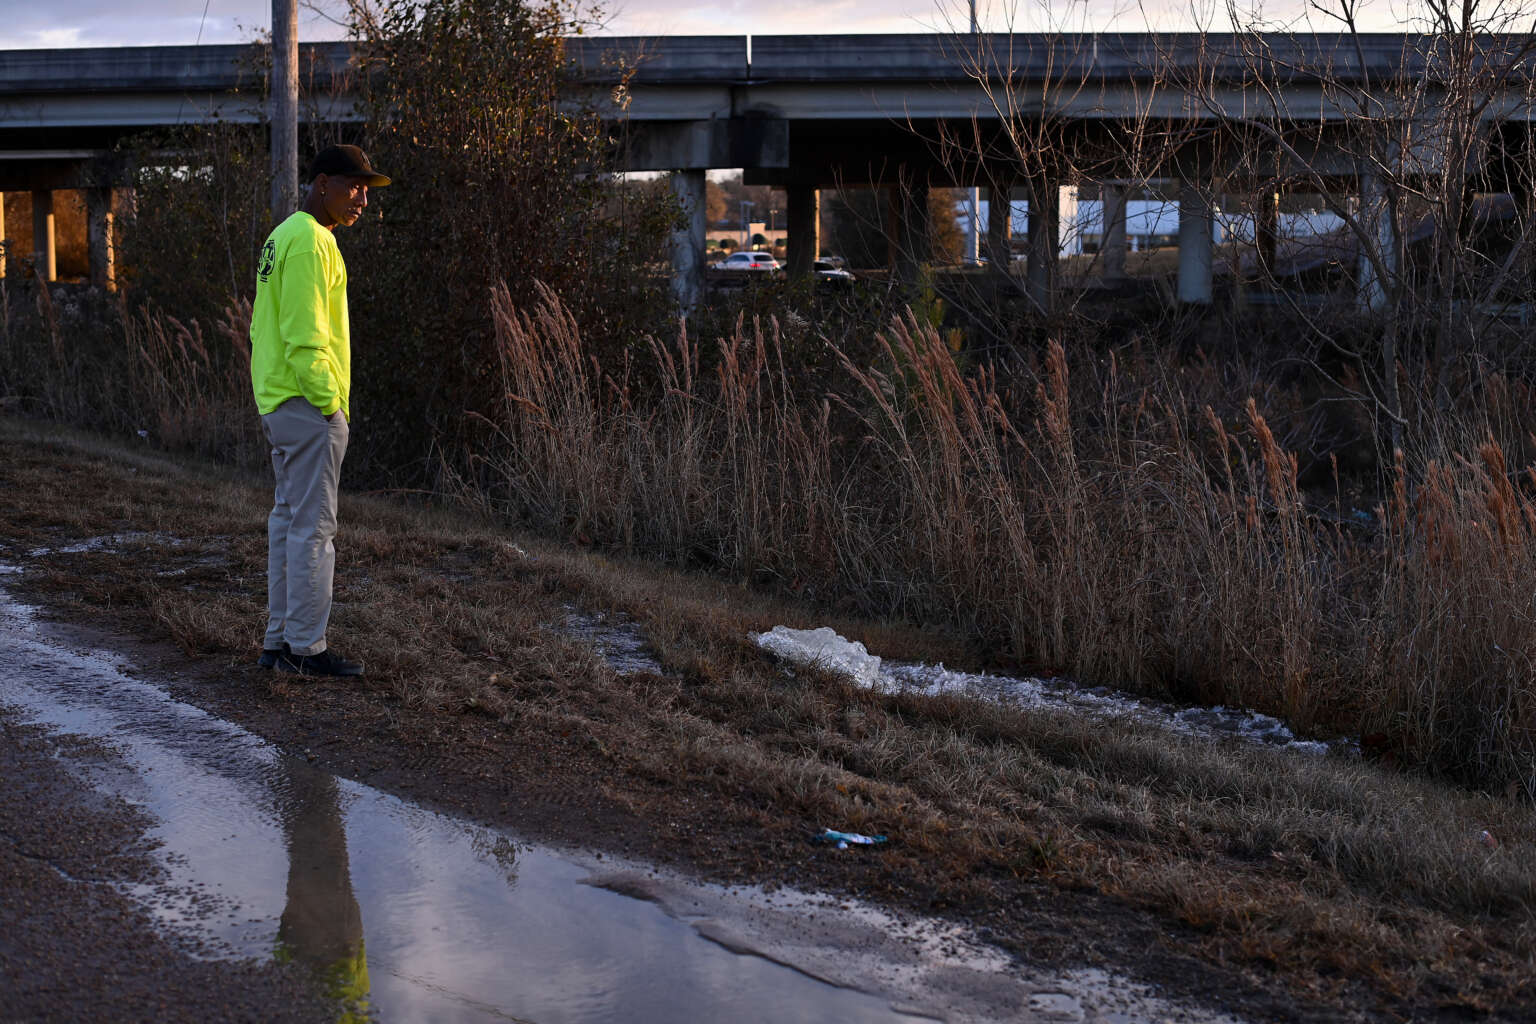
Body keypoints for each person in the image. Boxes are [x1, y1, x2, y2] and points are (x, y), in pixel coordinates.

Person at [250, 144, 389, 677]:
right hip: (307, 405)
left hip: (280, 400)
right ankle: (306, 651)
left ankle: (278, 644)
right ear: (323, 183)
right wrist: (330, 404)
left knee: (289, 522)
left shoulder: (283, 235)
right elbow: (305, 337)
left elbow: (266, 325)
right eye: (353, 187)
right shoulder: (311, 241)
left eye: (366, 190)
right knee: (314, 528)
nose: (361, 199)